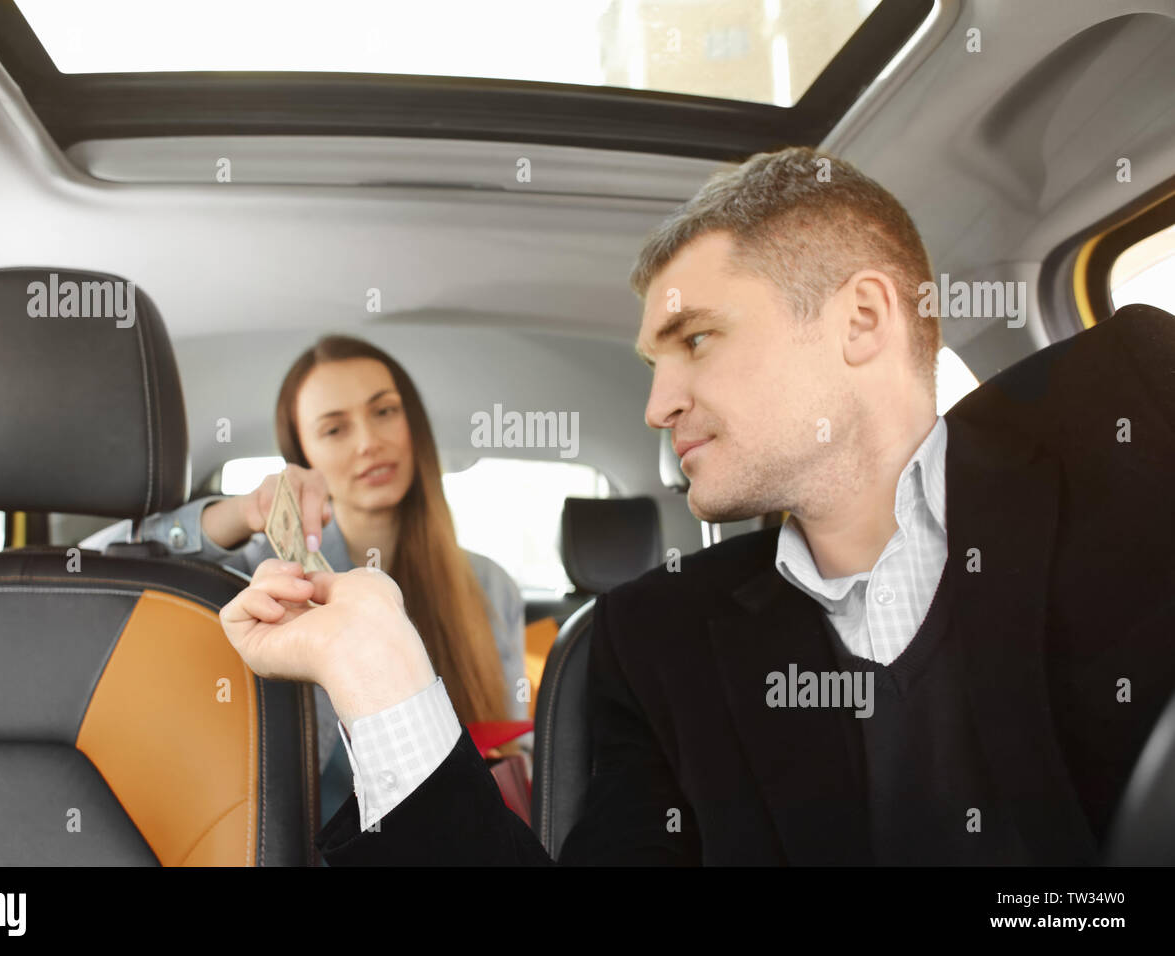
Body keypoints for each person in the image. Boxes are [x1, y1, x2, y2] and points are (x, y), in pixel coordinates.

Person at [217, 147, 1175, 863]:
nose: (656, 403)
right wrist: (380, 675)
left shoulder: (1132, 424)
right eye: (652, 363)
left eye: (698, 340)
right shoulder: (655, 641)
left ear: (862, 318)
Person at [84, 334, 527, 823]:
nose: (368, 442)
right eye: (335, 429)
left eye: (384, 412)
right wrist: (241, 511)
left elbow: (509, 747)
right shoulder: (267, 575)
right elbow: (101, 563)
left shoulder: (490, 585)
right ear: (303, 454)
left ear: (413, 425)